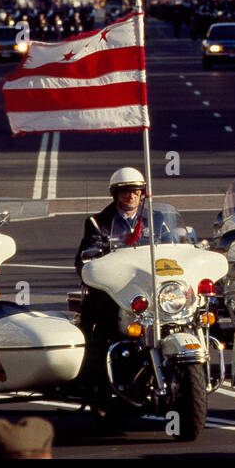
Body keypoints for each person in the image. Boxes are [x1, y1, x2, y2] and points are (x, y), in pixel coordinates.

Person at [74, 167, 173, 393]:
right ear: (115, 194)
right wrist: (94, 262)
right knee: (102, 327)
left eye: (136, 191)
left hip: (151, 288)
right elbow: (85, 258)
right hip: (115, 291)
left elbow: (173, 245)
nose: (131, 196)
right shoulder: (98, 222)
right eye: (125, 191)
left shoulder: (156, 220)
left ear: (143, 194)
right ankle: (96, 380)